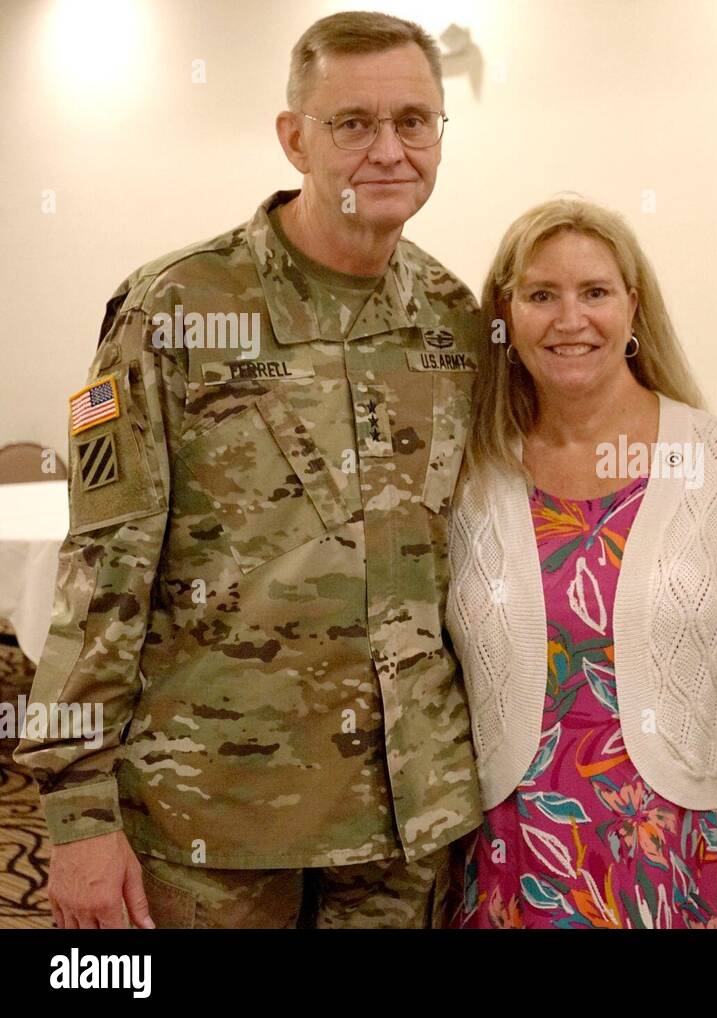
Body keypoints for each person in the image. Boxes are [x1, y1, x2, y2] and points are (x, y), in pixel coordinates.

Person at [14, 11, 482, 929]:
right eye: (353, 123)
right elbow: (97, 574)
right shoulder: (169, 308)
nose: (389, 149)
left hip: (403, 821)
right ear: (293, 136)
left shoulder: (453, 319)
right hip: (211, 820)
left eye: (415, 121)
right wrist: (75, 819)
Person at [446, 197, 717, 928]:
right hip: (511, 860)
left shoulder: (715, 459)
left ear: (633, 307)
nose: (569, 319)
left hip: (679, 858)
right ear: (506, 314)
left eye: (596, 292)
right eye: (541, 295)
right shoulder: (471, 474)